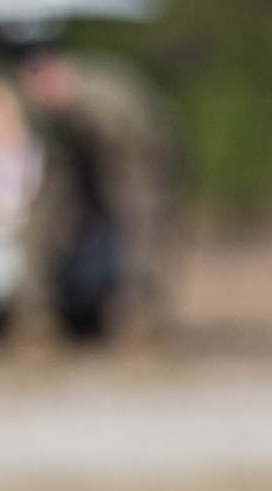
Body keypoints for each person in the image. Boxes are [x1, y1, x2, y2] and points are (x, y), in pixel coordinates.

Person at [21, 38, 182, 346]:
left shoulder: (103, 96)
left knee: (140, 232)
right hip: (90, 166)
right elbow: (57, 168)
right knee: (42, 222)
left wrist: (102, 200)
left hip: (139, 163)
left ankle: (139, 315)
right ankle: (39, 316)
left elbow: (136, 155)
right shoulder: (56, 110)